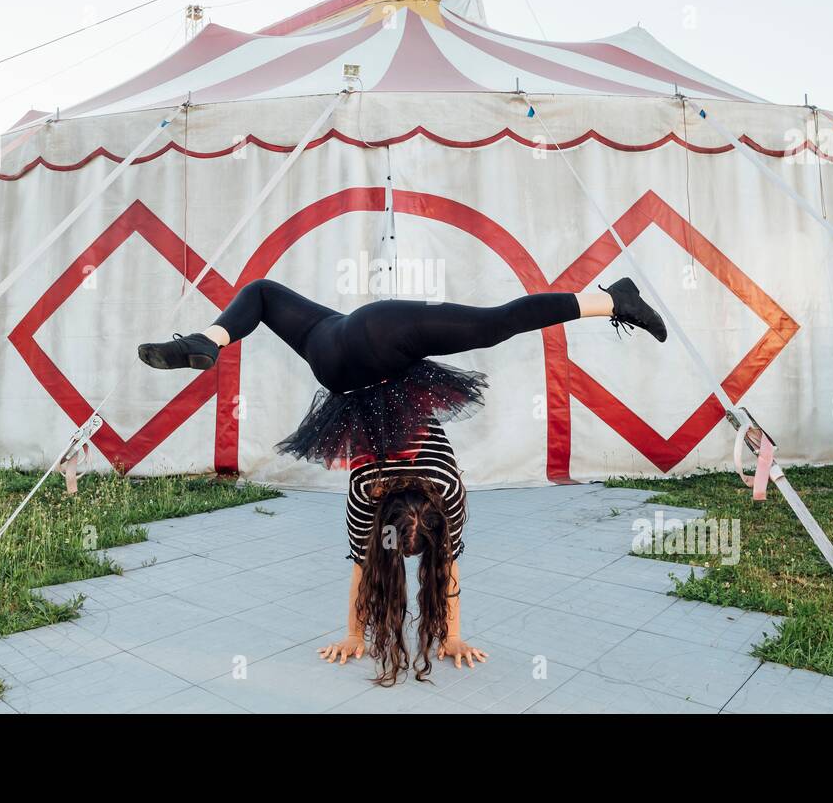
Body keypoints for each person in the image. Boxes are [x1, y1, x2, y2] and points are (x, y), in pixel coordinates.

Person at [138, 277, 666, 684]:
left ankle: (613, 300)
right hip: (333, 363)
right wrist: (354, 632)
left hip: (378, 339)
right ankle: (210, 338)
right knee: (264, 293)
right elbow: (362, 567)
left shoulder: (448, 493)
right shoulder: (366, 494)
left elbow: (446, 567)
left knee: (496, 322)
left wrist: (447, 634)